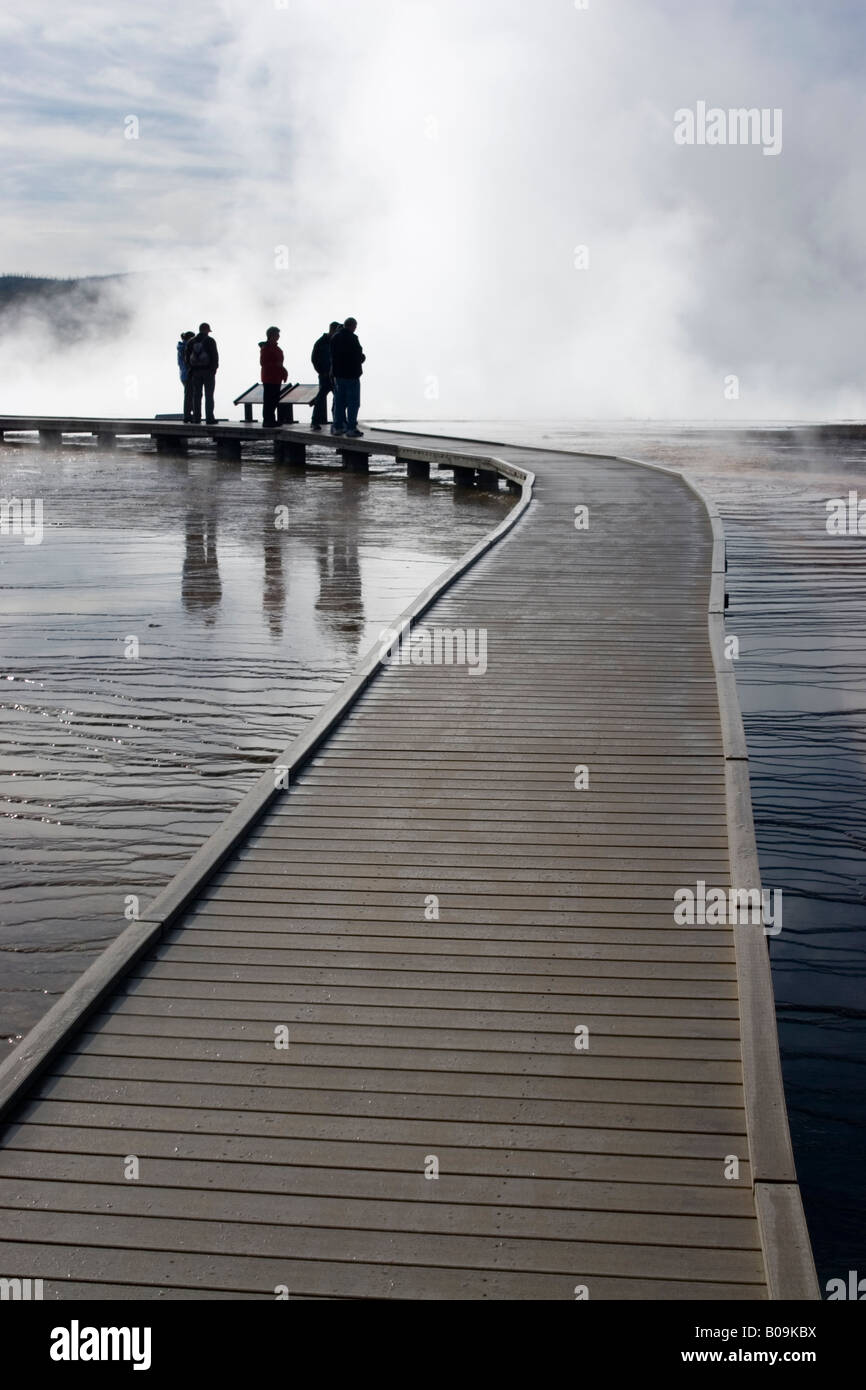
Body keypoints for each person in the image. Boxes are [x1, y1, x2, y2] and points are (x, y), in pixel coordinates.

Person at [330, 318, 366, 438]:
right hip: (352, 374)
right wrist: (362, 358)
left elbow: (332, 356)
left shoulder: (335, 338)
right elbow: (358, 355)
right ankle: (351, 428)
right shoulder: (352, 338)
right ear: (352, 326)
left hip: (338, 375)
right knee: (353, 402)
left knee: (339, 402)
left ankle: (337, 427)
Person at [185, 323, 219, 424]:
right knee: (209, 395)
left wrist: (191, 368)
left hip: (195, 371)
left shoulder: (191, 341)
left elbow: (187, 357)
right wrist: (214, 369)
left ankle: (196, 418)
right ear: (207, 330)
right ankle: (209, 418)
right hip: (208, 371)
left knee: (196, 395)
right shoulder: (210, 340)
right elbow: (214, 356)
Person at [310, 322, 341, 431]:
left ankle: (337, 421)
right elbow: (314, 359)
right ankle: (314, 421)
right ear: (332, 330)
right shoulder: (320, 342)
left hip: (335, 376)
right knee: (320, 399)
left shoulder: (336, 342)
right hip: (324, 376)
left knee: (338, 399)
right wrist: (321, 371)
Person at [260, 326, 288, 429]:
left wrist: (283, 372)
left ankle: (272, 420)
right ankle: (267, 420)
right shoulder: (266, 348)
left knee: (274, 400)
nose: (278, 336)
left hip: (276, 378)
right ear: (271, 335)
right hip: (269, 378)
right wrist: (276, 365)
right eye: (277, 334)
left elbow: (280, 363)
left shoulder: (277, 348)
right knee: (268, 401)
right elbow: (263, 362)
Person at [177, 331, 195, 422]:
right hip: (188, 374)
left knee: (189, 395)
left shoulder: (181, 347)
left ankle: (189, 414)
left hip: (183, 374)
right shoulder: (186, 348)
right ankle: (188, 415)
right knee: (190, 395)